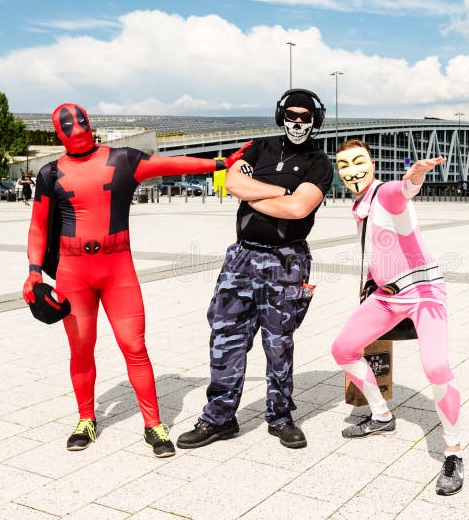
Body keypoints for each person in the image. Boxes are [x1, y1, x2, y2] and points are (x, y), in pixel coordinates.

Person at [22, 103, 250, 457]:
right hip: (73, 273)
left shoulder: (122, 159)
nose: (76, 129)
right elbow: (38, 225)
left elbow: (171, 164)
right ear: (59, 133)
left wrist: (220, 163)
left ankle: (153, 424)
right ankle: (86, 418)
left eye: (80, 122)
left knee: (134, 347)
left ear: (89, 124)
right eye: (67, 126)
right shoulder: (50, 173)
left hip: (117, 271)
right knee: (80, 350)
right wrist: (34, 271)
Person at [177, 89, 332, 450]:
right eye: (291, 115)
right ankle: (219, 418)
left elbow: (298, 209)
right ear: (281, 116)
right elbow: (232, 183)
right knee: (225, 336)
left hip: (286, 260)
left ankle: (280, 417)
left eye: (305, 117)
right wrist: (282, 192)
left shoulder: (318, 162)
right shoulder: (258, 148)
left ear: (315, 121)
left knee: (279, 341)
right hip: (242, 257)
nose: (298, 123)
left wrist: (255, 193)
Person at [330, 139, 463, 496]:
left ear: (372, 164)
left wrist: (413, 178)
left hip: (423, 293)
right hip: (388, 295)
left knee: (436, 368)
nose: (352, 170)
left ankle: (453, 451)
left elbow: (400, 193)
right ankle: (381, 415)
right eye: (344, 165)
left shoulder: (385, 193)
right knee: (343, 349)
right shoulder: (360, 204)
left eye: (359, 161)